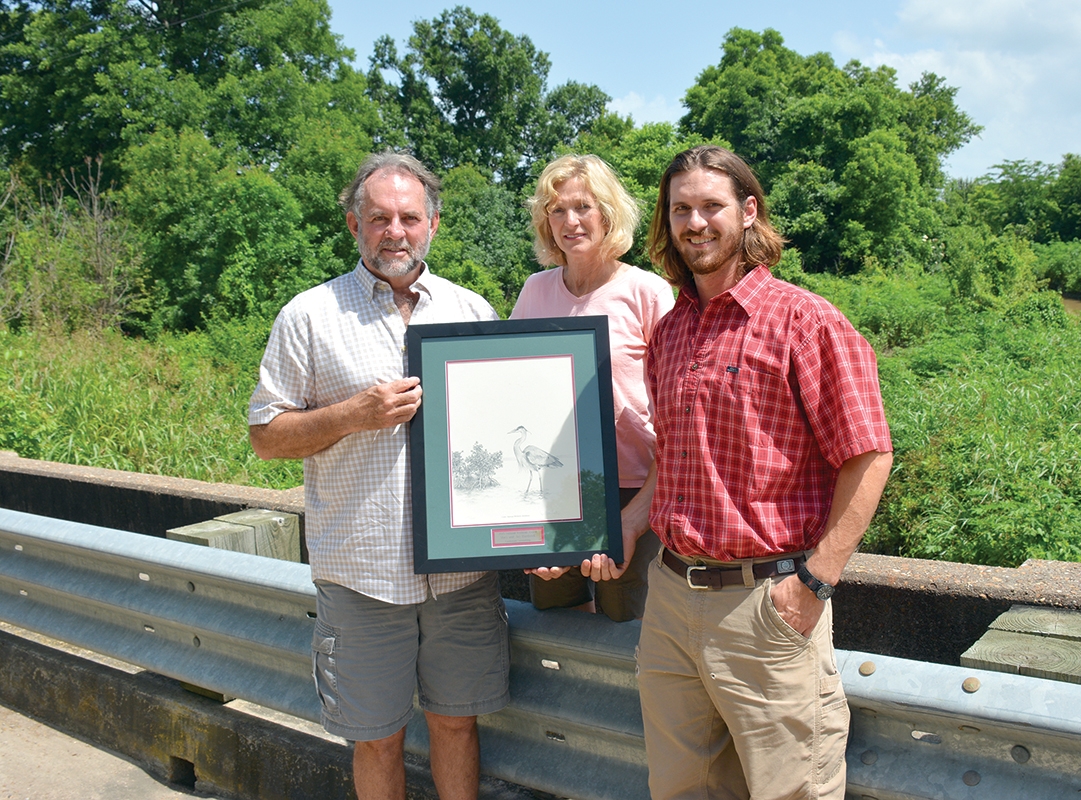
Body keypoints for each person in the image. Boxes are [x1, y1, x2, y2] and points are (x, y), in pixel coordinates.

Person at [627, 145, 893, 799]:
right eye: (680, 208)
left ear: (747, 212)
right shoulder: (668, 333)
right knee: (681, 790)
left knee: (791, 791)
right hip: (668, 601)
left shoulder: (807, 322)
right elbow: (675, 460)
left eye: (711, 206)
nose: (695, 222)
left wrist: (814, 585)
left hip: (765, 606)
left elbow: (869, 454)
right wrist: (626, 526)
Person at [248, 153, 508, 800]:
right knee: (376, 737)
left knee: (456, 725)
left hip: (463, 576)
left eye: (409, 217)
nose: (396, 230)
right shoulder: (308, 316)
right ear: (353, 225)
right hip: (362, 576)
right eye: (379, 218)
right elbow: (265, 436)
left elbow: (507, 433)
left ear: (434, 225)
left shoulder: (472, 311)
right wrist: (353, 414)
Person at [512, 154, 675, 622]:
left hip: (631, 491)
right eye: (557, 210)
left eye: (583, 206)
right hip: (554, 489)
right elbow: (512, 394)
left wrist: (638, 512)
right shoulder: (534, 292)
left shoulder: (647, 292)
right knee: (557, 620)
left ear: (607, 212)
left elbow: (677, 413)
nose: (570, 221)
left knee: (629, 629)